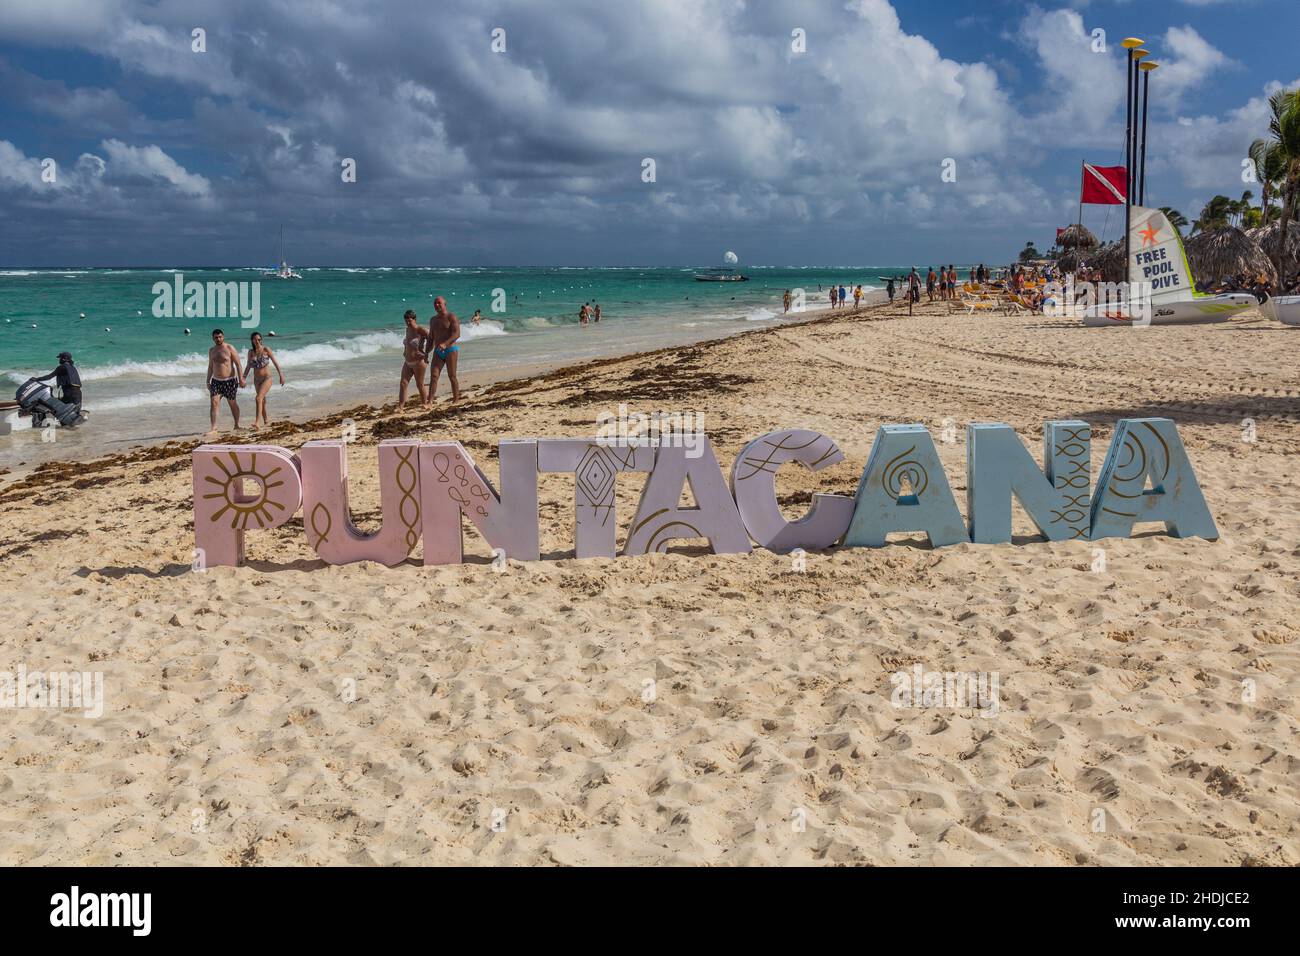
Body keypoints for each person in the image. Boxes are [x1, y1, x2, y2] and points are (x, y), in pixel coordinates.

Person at [206, 329, 244, 431]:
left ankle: (236, 425)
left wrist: (241, 378)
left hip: (230, 381)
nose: (218, 339)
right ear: (213, 338)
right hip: (216, 381)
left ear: (223, 337)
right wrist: (207, 381)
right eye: (216, 337)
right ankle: (213, 428)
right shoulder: (211, 350)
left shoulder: (229, 348)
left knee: (232, 403)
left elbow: (238, 364)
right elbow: (210, 367)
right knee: (214, 402)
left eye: (220, 337)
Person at [426, 295, 462, 403]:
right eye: (435, 303)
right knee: (434, 376)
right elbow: (431, 338)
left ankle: (456, 400)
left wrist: (445, 344)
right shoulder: (433, 320)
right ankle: (430, 402)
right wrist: (426, 352)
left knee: (452, 376)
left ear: (444, 304)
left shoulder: (451, 317)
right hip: (438, 351)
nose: (436, 305)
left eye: (439, 303)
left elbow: (457, 334)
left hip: (450, 350)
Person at [246, 331, 284, 430]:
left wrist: (281, 375)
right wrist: (243, 377)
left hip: (267, 379)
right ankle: (266, 420)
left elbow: (275, 363)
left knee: (258, 398)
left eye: (259, 339)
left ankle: (257, 423)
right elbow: (248, 366)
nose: (257, 341)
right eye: (255, 340)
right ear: (252, 341)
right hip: (256, 380)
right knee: (262, 400)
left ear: (261, 340)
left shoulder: (266, 349)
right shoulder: (251, 352)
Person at [398, 310, 431, 410]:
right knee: (403, 383)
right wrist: (405, 350)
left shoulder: (419, 329)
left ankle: (425, 403)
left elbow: (431, 338)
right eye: (406, 320)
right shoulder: (407, 329)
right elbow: (408, 342)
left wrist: (427, 353)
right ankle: (400, 407)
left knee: (419, 384)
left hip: (419, 362)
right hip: (408, 362)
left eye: (410, 320)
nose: (408, 322)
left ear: (415, 319)